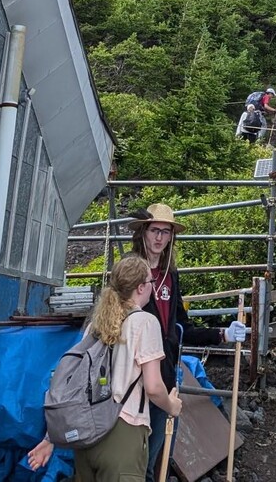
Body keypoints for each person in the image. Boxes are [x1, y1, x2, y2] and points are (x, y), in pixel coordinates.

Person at [27, 255, 182, 479]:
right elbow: (154, 387)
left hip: (88, 438)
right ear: (140, 287)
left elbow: (77, 384)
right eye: (151, 283)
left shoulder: (96, 326)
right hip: (123, 434)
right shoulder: (145, 322)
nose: (152, 287)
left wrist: (50, 438)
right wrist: (172, 406)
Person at [129, 204, 248, 482]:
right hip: (132, 377)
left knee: (161, 454)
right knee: (134, 458)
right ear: (143, 233)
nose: (159, 237)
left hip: (165, 372)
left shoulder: (171, 276)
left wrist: (223, 335)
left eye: (166, 232)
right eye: (154, 230)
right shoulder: (130, 269)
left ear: (171, 237)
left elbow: (181, 327)